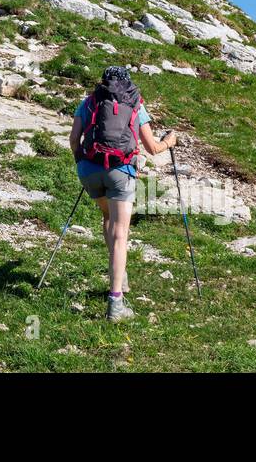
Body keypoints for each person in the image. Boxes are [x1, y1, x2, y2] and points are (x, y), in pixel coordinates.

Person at [68, 65, 178, 321]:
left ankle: (120, 275)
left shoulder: (90, 101)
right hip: (121, 170)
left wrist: (80, 161)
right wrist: (169, 142)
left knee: (108, 217)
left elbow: (74, 138)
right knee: (121, 233)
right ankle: (116, 301)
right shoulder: (135, 104)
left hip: (89, 170)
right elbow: (151, 147)